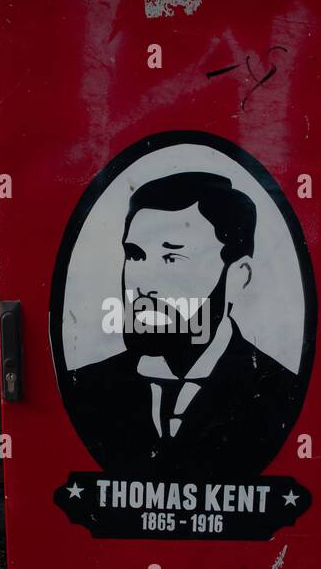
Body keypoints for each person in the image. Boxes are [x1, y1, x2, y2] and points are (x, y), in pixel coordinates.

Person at [66, 170, 303, 475]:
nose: (142, 285)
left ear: (238, 276)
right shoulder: (85, 390)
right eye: (136, 256)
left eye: (172, 259)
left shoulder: (279, 394)